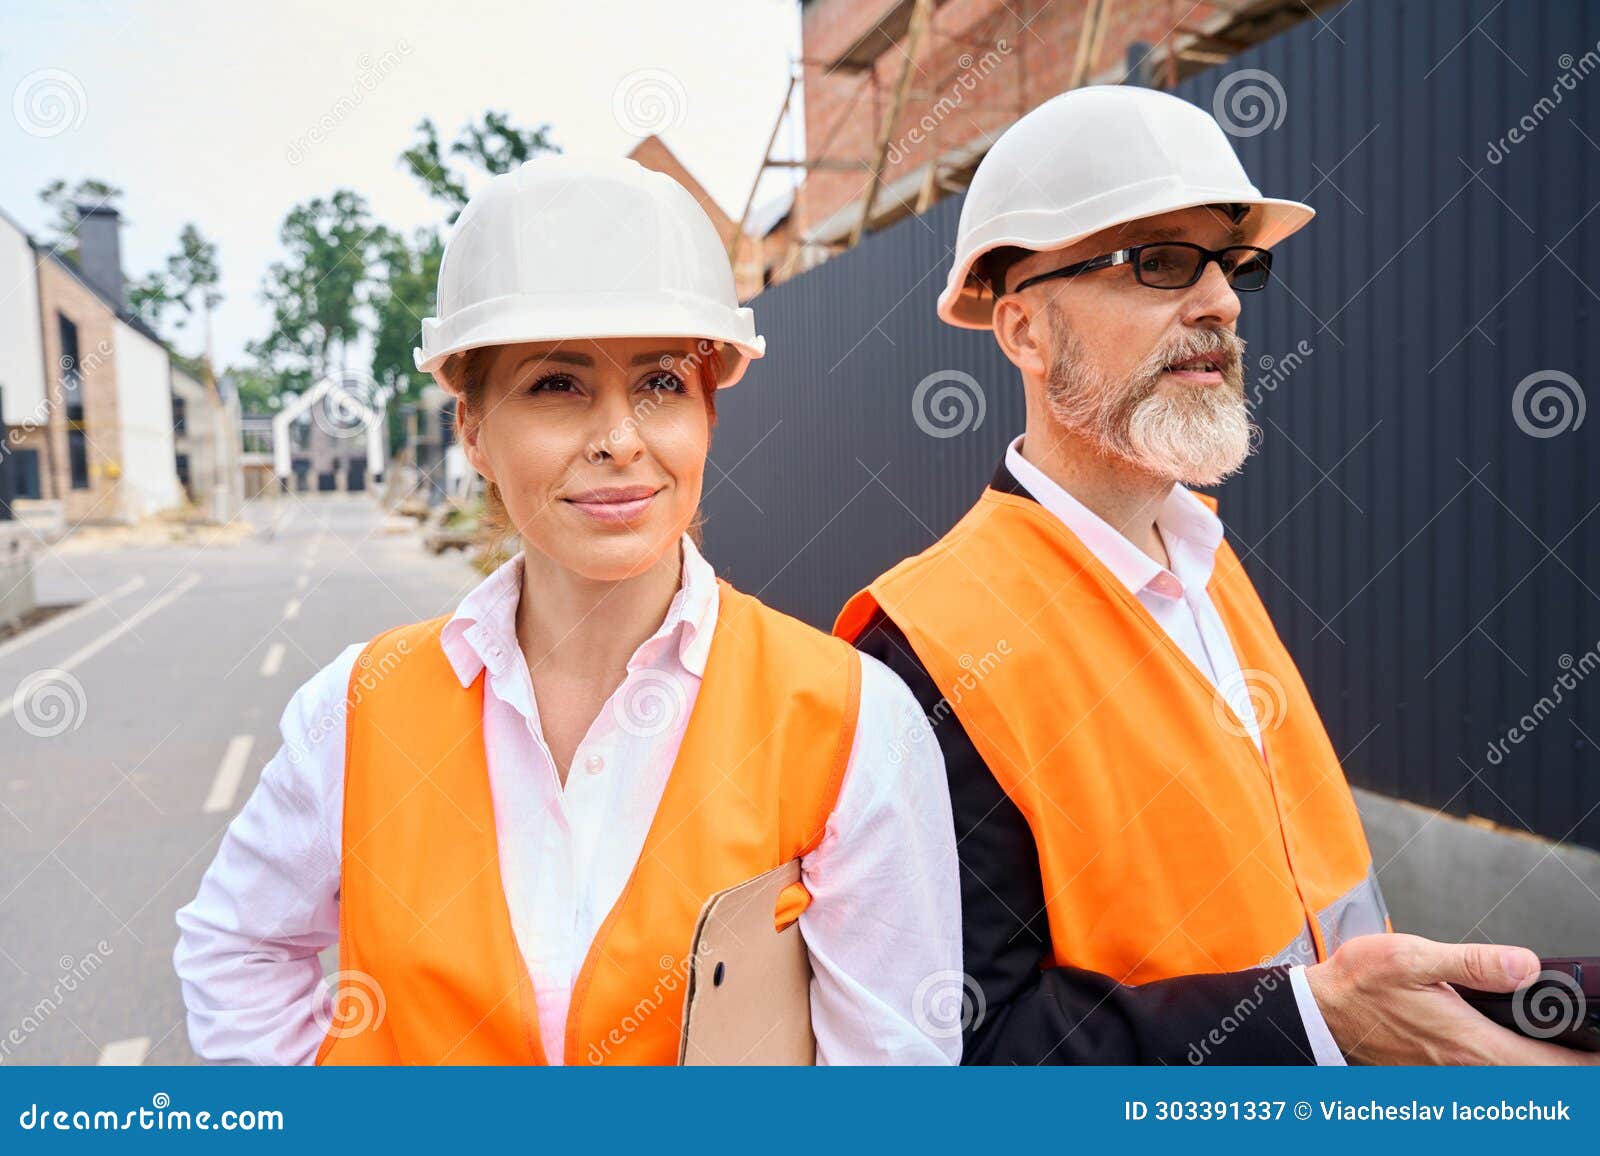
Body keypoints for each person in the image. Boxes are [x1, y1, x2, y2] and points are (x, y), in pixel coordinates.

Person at [836, 86, 1595, 1066]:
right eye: (1160, 262)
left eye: (1232, 265)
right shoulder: (920, 646)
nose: (1223, 302)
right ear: (1022, 331)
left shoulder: (1198, 549)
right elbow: (976, 1053)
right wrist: (1314, 1023)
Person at [175, 155, 961, 1066]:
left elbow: (894, 1073)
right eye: (557, 385)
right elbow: (236, 949)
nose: (620, 440)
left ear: (708, 411)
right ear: (472, 429)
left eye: (662, 383)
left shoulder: (852, 721)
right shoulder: (354, 713)